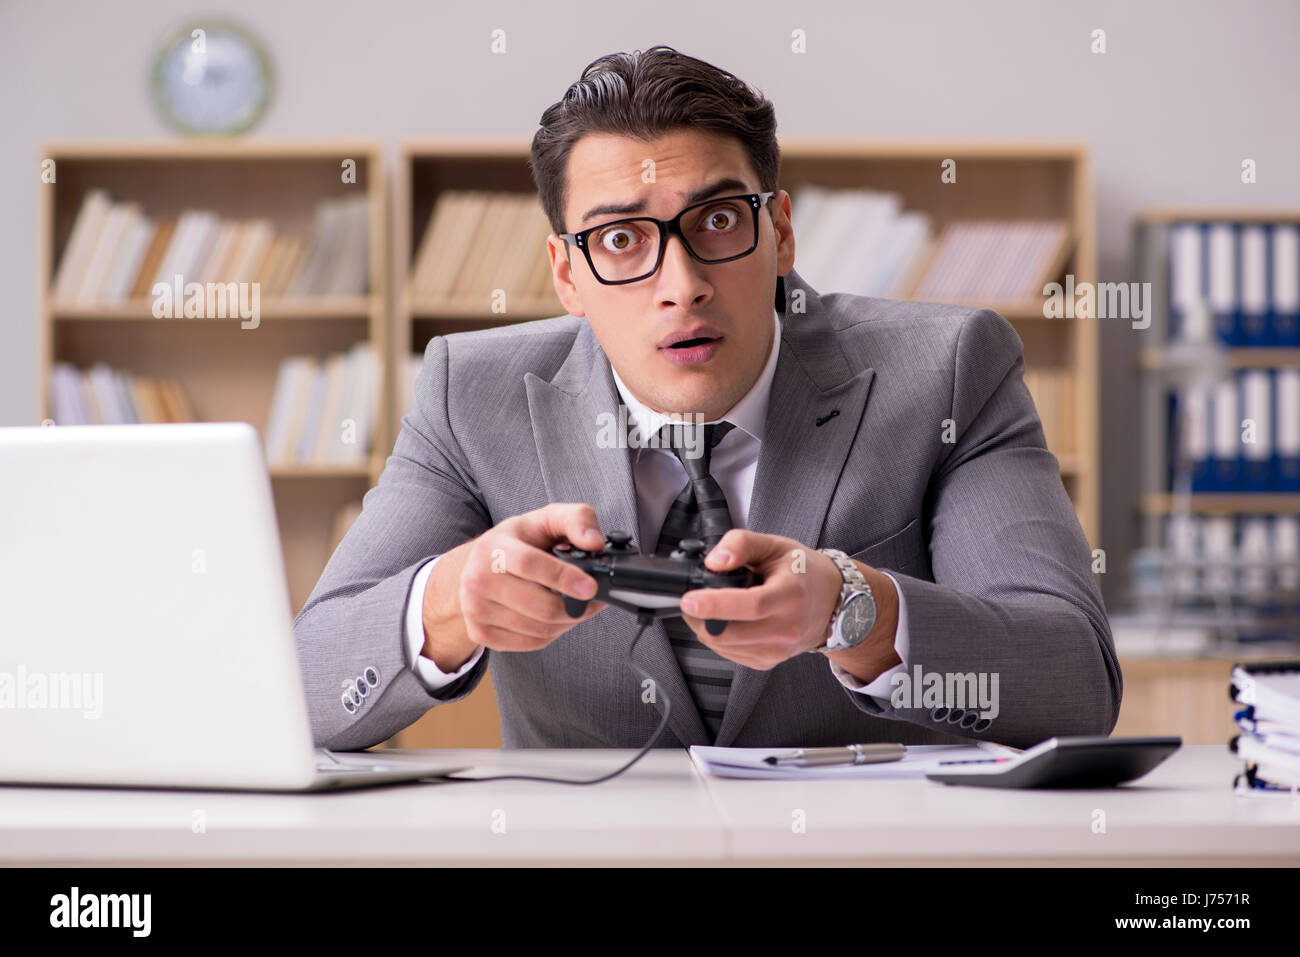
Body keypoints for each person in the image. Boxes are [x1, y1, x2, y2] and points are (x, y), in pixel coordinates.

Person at [293, 45, 1121, 752]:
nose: (681, 286)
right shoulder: (470, 396)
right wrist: (449, 599)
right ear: (566, 274)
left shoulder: (945, 368)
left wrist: (853, 610)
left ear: (781, 233)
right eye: (621, 240)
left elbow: (1075, 684)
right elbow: (305, 687)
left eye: (720, 220)